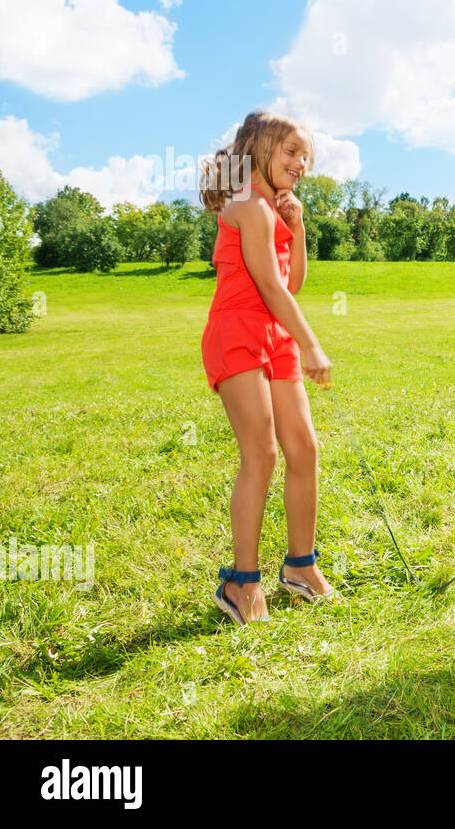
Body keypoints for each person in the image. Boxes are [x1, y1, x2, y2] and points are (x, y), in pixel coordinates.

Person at [200, 111, 336, 624]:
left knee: (304, 448)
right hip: (237, 331)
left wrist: (298, 226)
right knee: (262, 453)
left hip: (275, 335)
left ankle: (301, 566)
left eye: (306, 157)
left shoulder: (275, 212)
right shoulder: (246, 205)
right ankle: (241, 582)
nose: (301, 164)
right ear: (259, 147)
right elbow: (270, 289)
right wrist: (314, 345)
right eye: (291, 151)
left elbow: (293, 281)